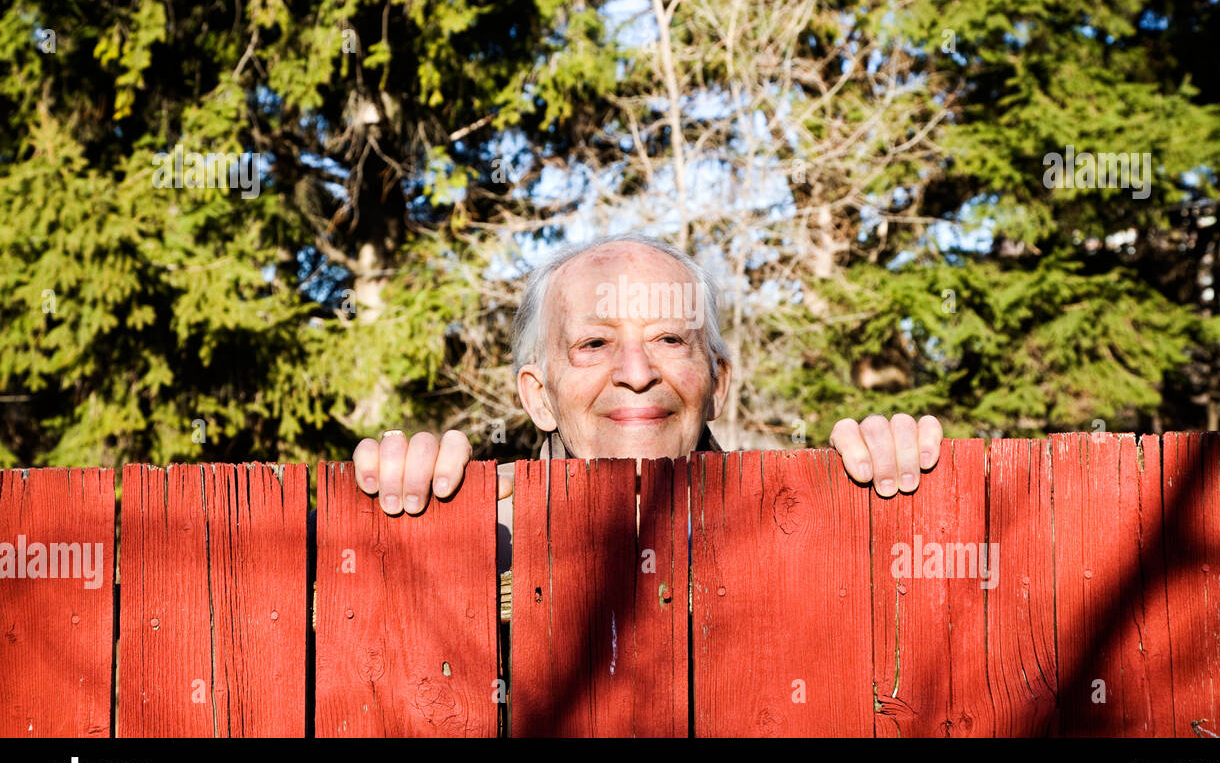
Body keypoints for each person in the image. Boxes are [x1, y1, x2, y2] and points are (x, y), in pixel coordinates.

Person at [352, 232, 944, 578]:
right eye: (593, 344)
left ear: (718, 381)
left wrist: (891, 503)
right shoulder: (475, 545)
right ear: (538, 397)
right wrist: (401, 519)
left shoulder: (805, 532)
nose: (636, 375)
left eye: (668, 339)